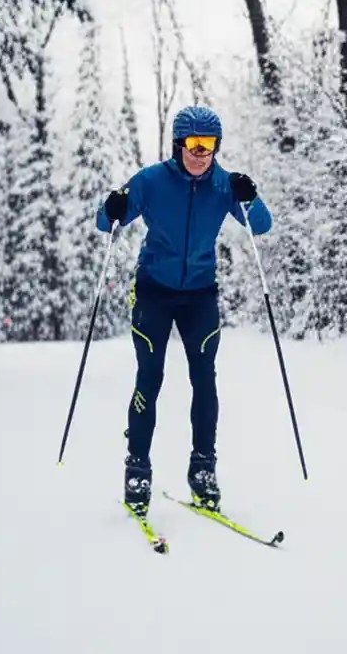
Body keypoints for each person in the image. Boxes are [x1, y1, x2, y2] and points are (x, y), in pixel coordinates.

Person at [95, 105, 272, 517]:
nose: (200, 152)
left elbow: (260, 226)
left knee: (203, 379)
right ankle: (137, 469)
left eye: (208, 144)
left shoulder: (225, 184)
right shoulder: (152, 181)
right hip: (154, 292)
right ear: (178, 145)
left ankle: (203, 470)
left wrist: (251, 197)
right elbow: (107, 223)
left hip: (199, 296)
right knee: (150, 376)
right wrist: (112, 207)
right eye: (192, 144)